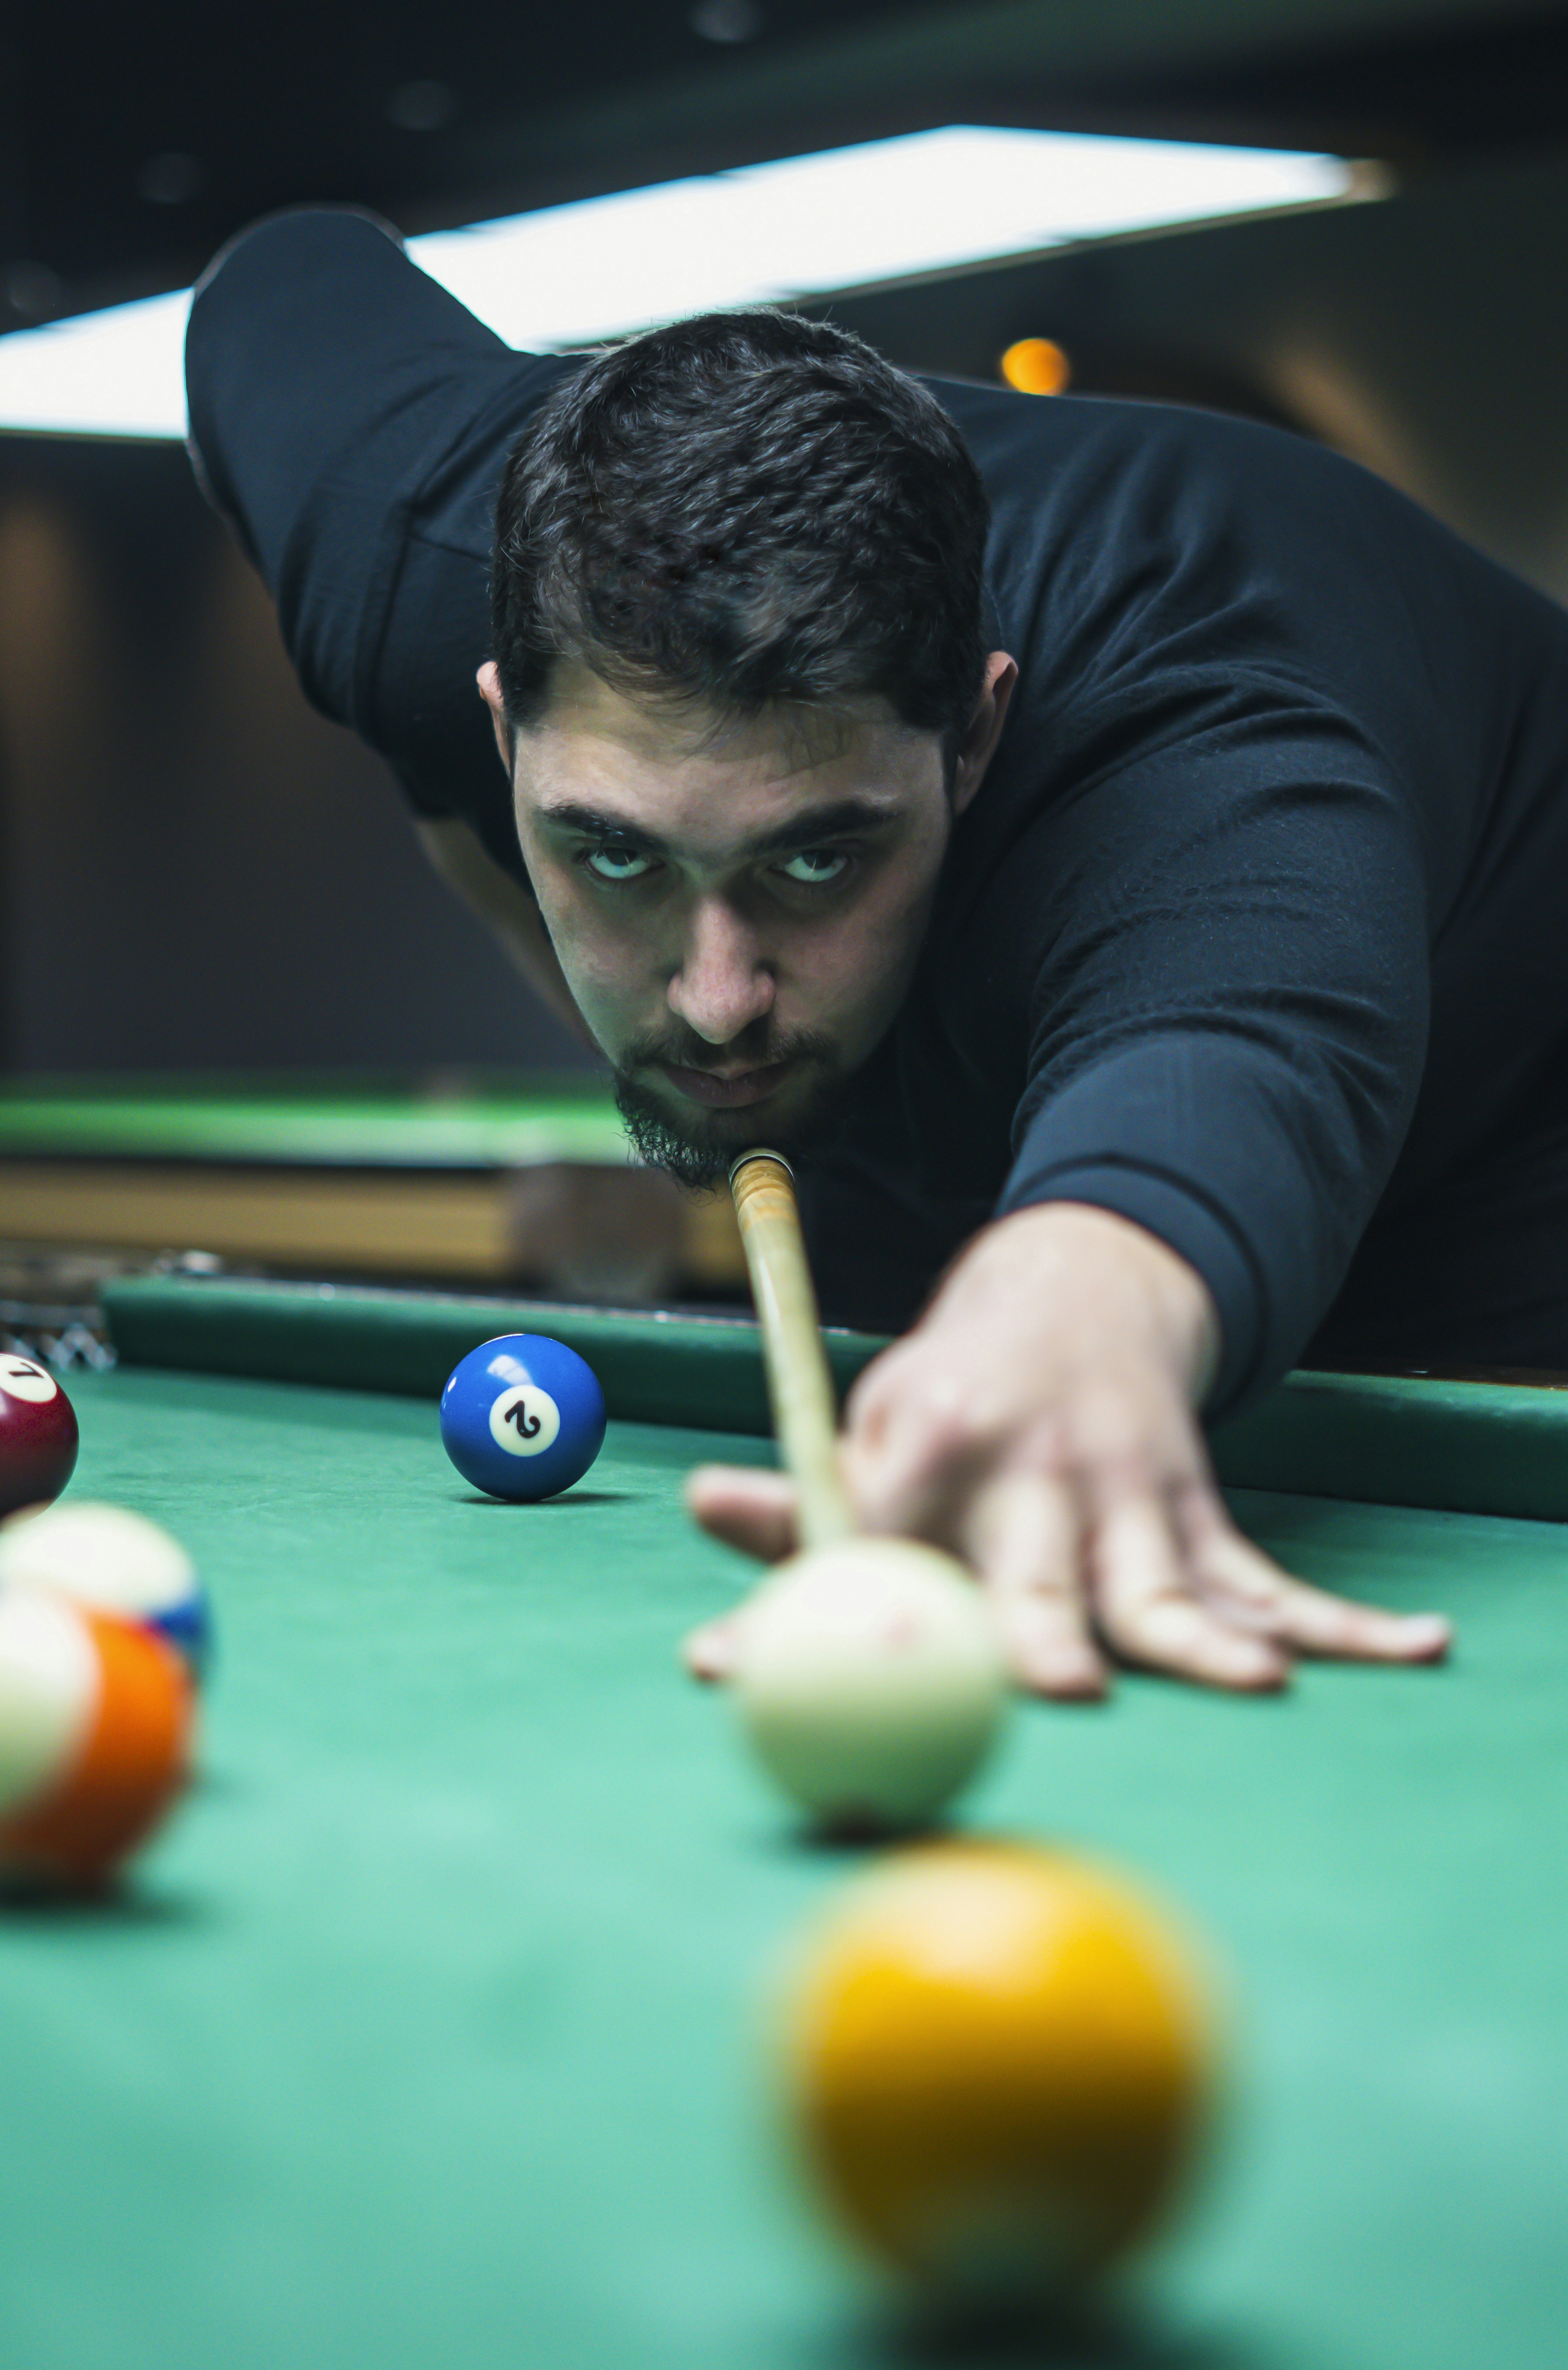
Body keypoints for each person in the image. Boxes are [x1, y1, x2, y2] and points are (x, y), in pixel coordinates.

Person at [197, 204, 1568, 1701]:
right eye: (616, 853)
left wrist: (1086, 1290)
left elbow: (1237, 1064)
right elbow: (274, 284)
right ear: (496, 718)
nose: (715, 995)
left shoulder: (1213, 747)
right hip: (927, 1077)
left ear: (972, 736)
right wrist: (470, 829)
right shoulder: (402, 542)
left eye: (813, 856)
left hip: (1499, 1160)